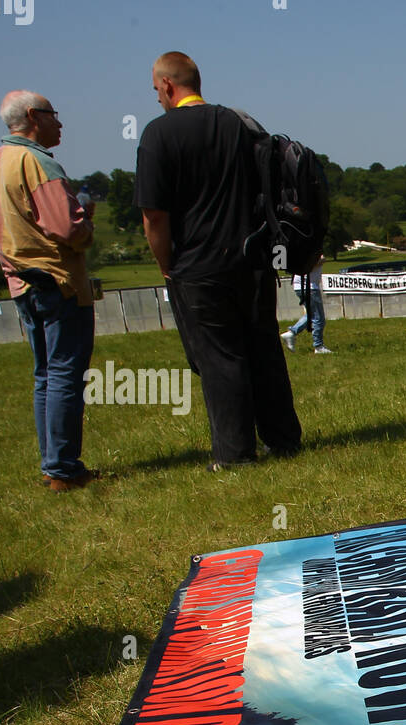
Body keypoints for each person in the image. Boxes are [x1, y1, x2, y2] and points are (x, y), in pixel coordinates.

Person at [134, 51, 302, 471]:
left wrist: (165, 262)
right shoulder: (239, 124)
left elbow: (153, 214)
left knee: (219, 357)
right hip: (252, 258)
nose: (157, 98)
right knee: (263, 347)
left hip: (197, 265)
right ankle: (283, 439)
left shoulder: (159, 134)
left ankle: (234, 453)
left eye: (157, 90)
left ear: (168, 86)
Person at [0, 91, 99, 492]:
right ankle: (63, 468)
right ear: (33, 116)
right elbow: (67, 229)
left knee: (44, 375)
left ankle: (53, 464)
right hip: (56, 281)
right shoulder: (37, 162)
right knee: (65, 373)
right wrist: (84, 213)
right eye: (53, 115)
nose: (59, 123)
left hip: (20, 283)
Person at [282, 253, 332, 354]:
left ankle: (292, 333)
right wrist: (321, 260)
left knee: (311, 315)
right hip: (309, 287)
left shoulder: (302, 249)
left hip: (301, 286)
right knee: (319, 318)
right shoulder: (310, 249)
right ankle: (318, 346)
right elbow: (309, 265)